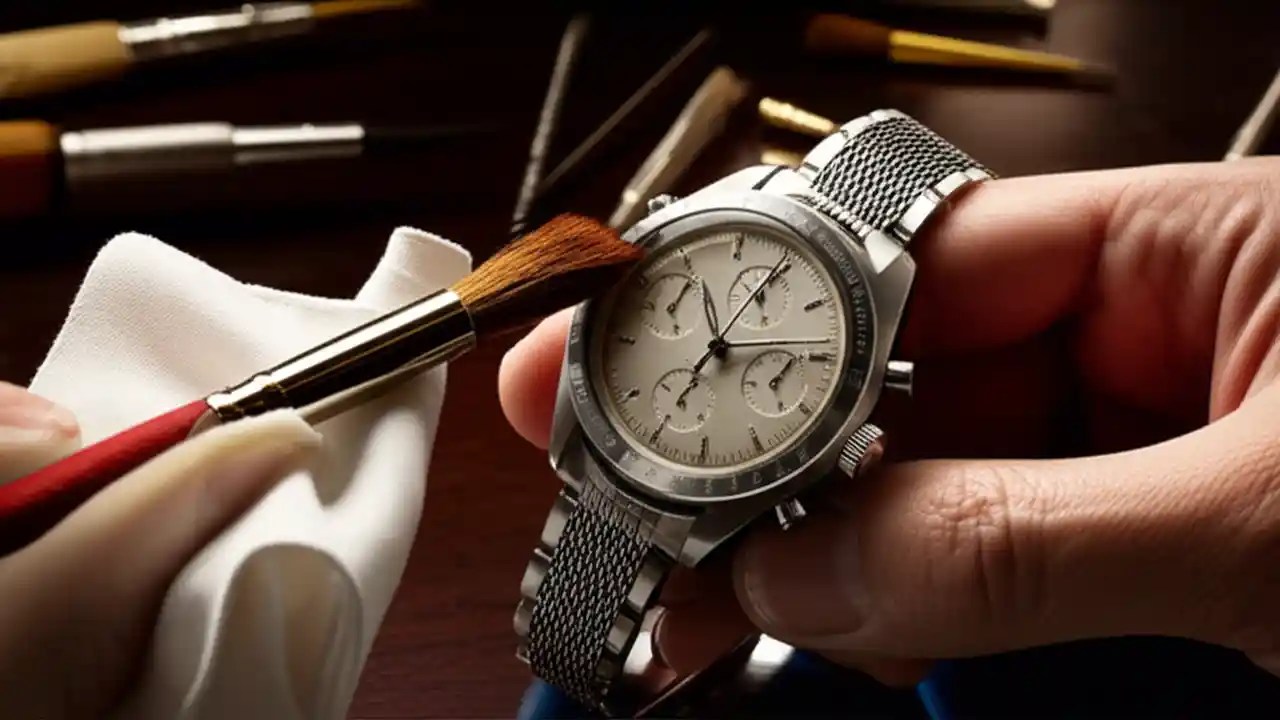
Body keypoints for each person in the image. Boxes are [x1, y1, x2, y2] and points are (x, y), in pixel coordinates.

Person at [0, 157, 1276, 718]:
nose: (710, 335)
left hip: (720, 468)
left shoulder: (858, 421)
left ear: (860, 418)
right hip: (617, 442)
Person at [498, 157, 1280, 709]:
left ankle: (570, 648)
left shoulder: (871, 403)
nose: (714, 349)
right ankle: (570, 647)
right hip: (625, 427)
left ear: (856, 427)